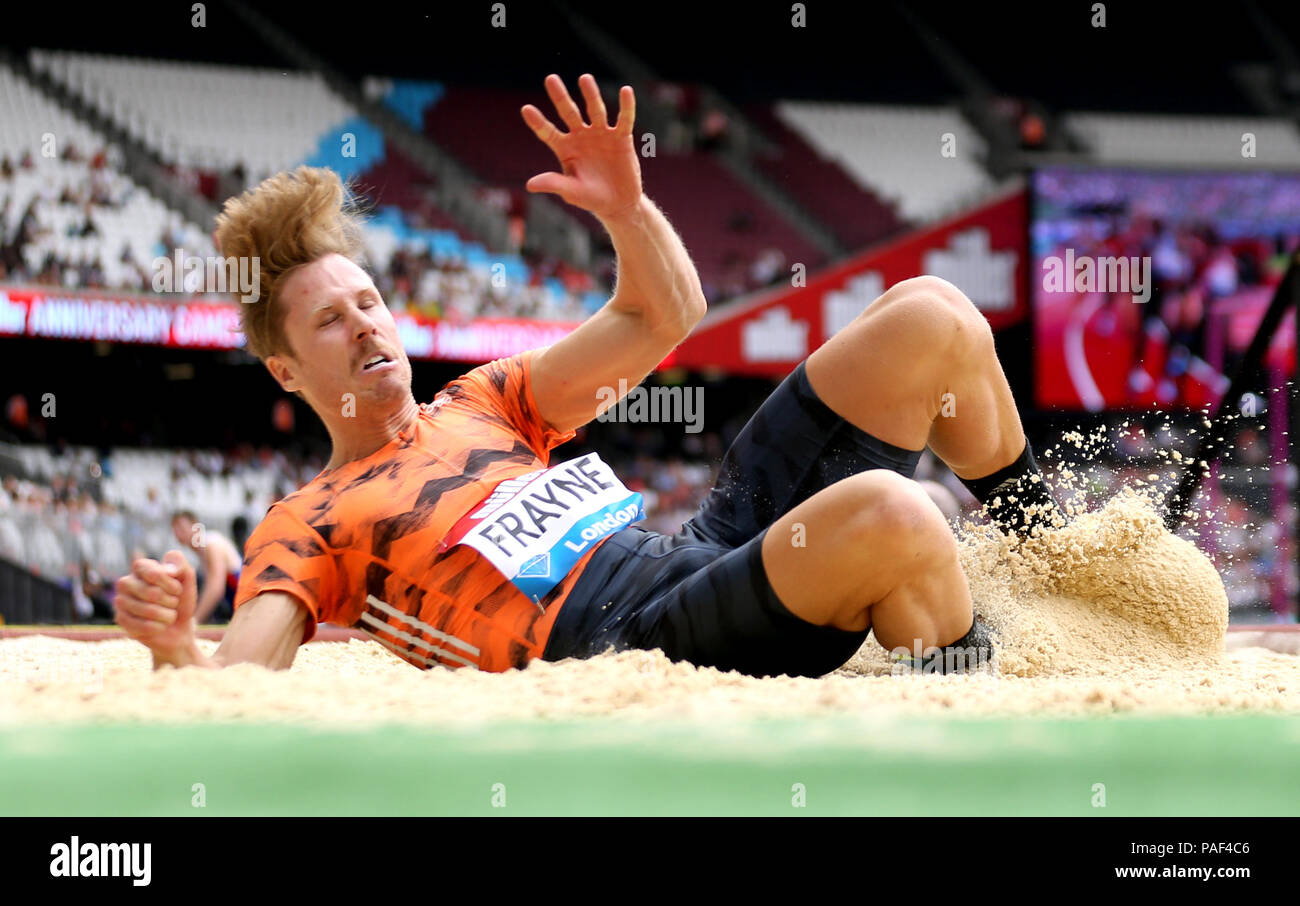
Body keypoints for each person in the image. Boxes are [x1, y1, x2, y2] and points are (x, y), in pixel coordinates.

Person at [115, 74, 1057, 678]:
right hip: (634, 644)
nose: (366, 322)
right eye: (330, 319)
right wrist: (172, 656)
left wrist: (629, 211)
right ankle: (970, 695)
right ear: (285, 368)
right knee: (901, 510)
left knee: (930, 314)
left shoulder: (480, 399)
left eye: (367, 300)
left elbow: (664, 317)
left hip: (699, 555)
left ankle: (1062, 564)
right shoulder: (308, 522)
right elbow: (245, 672)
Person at [168, 510, 242, 624]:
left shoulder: (212, 543)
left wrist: (195, 621)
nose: (178, 533)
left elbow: (216, 588)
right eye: (175, 529)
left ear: (195, 526)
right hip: (236, 603)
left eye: (181, 527)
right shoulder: (201, 553)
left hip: (244, 600)